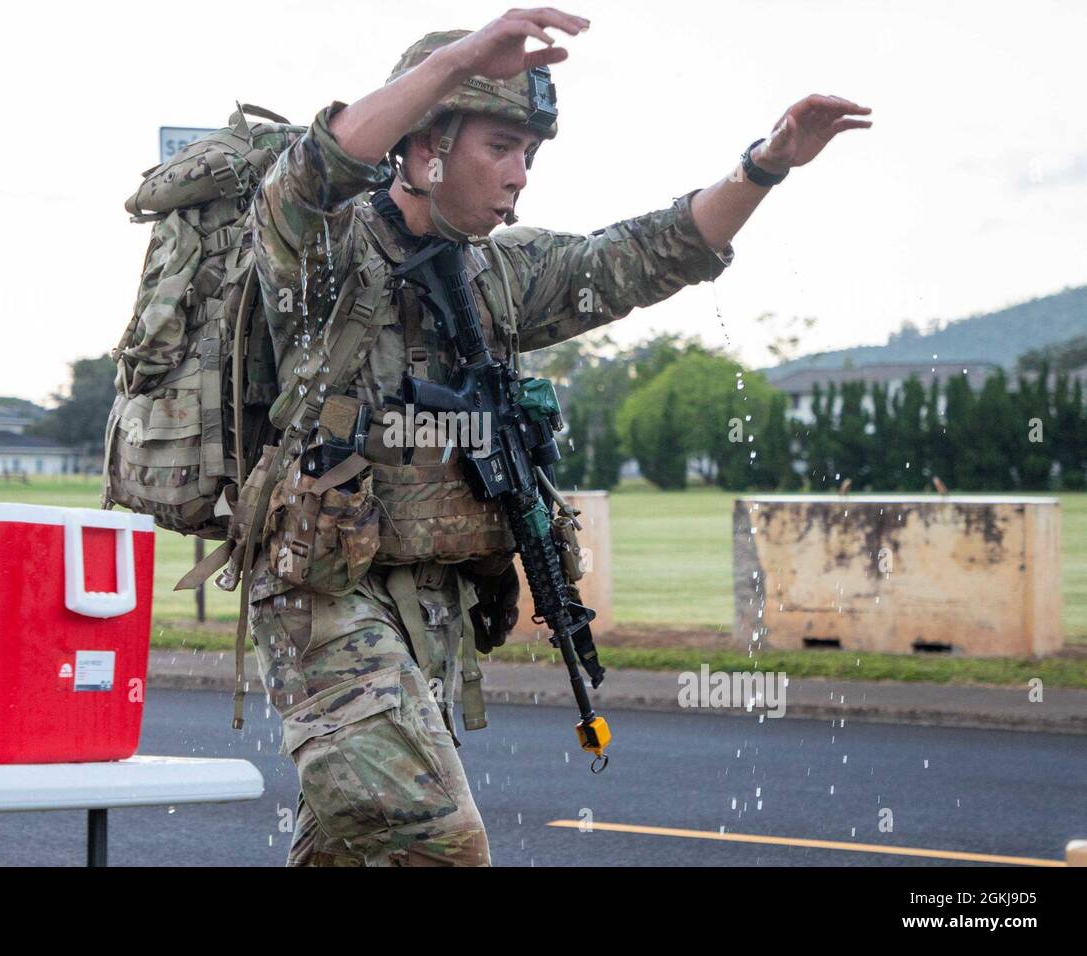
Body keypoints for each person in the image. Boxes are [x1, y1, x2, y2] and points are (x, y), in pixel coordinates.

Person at [245, 7, 872, 867]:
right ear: (427, 147)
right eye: (499, 147)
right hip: (322, 608)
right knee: (437, 842)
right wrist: (460, 60)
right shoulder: (323, 255)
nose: (520, 177)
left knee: (351, 857)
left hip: (428, 609)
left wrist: (763, 167)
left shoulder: (496, 272)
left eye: (530, 155)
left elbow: (647, 254)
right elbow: (315, 171)